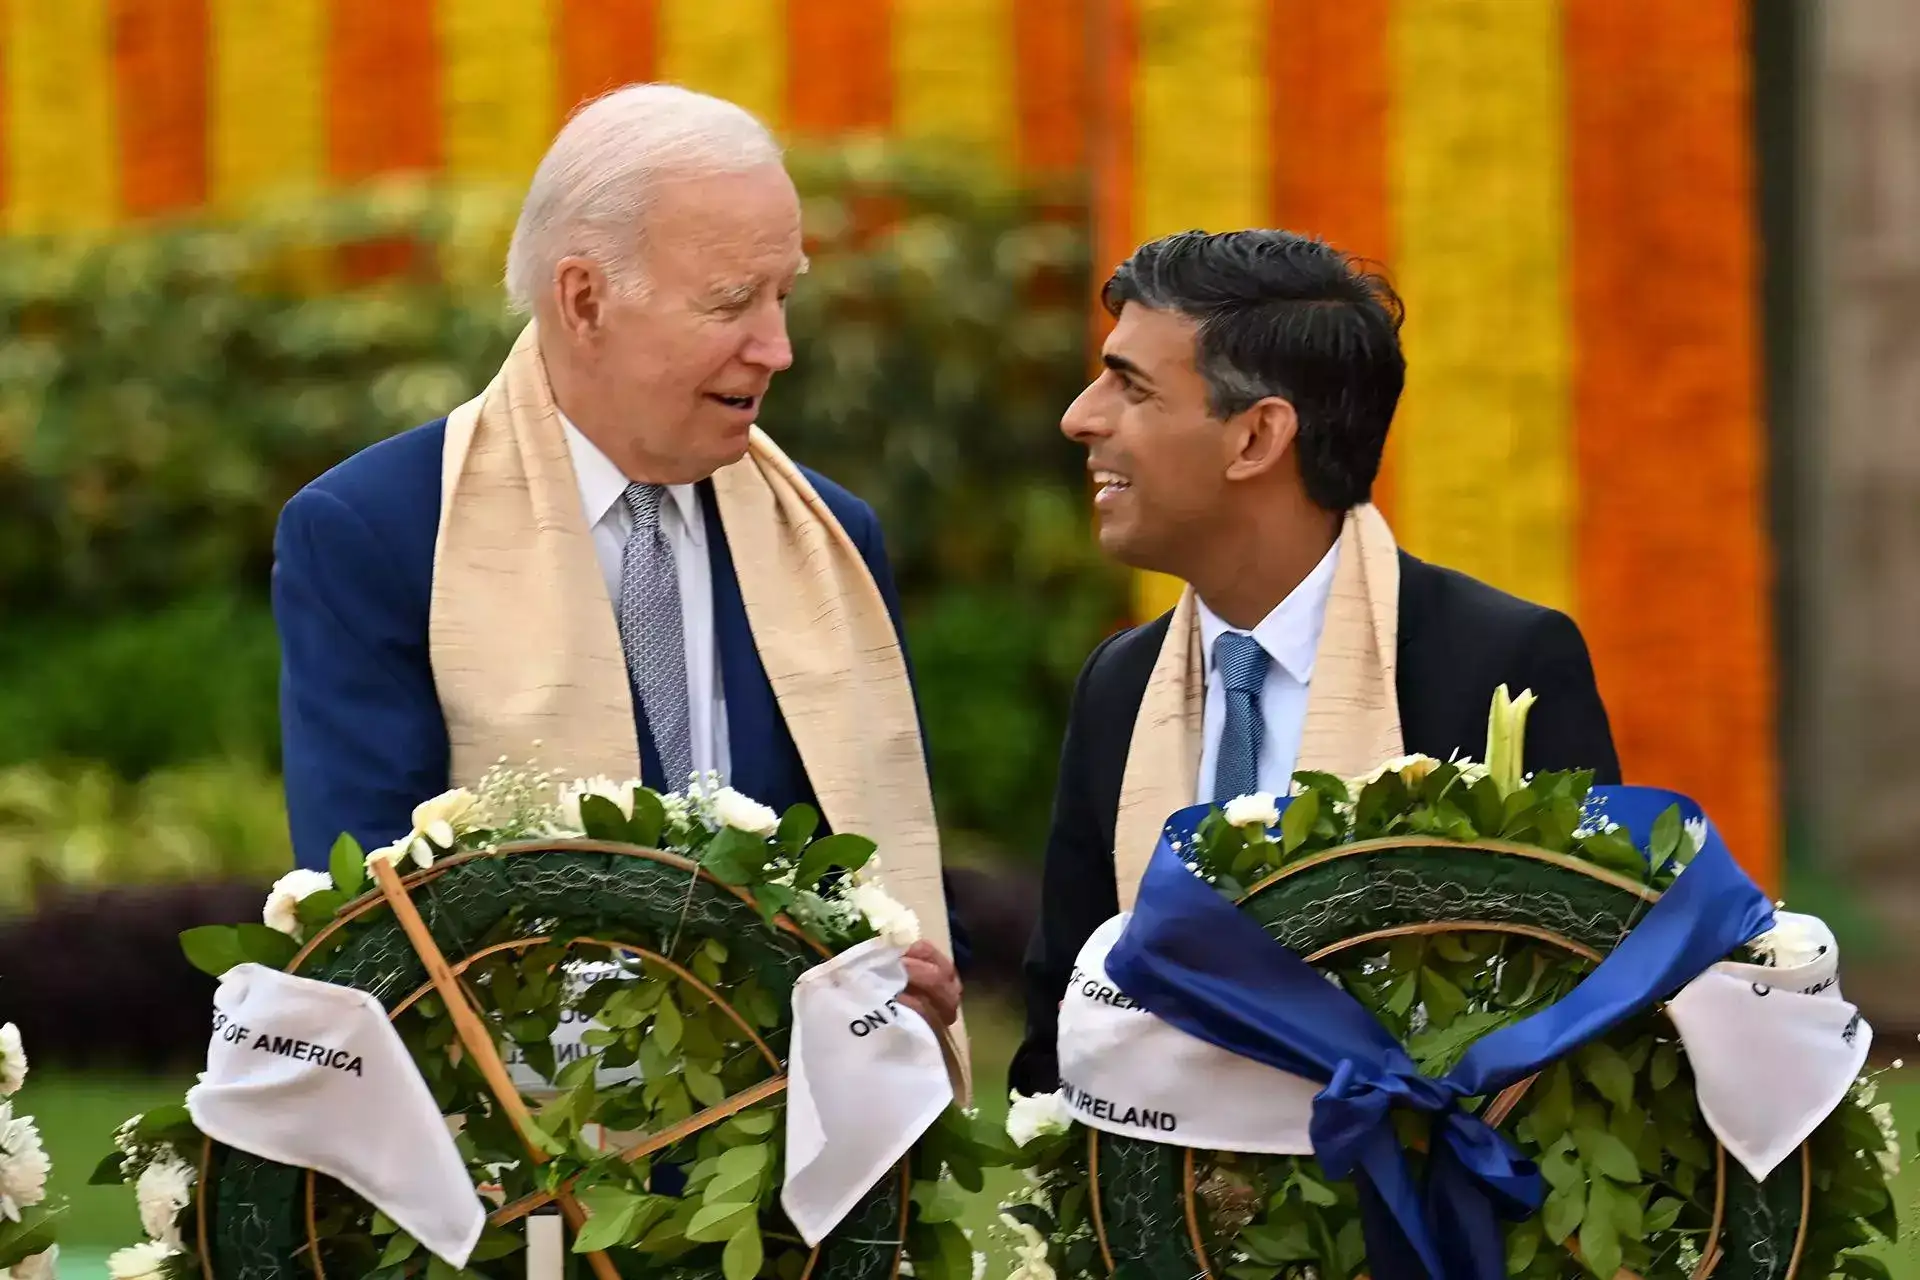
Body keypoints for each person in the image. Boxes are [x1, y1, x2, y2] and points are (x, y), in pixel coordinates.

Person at [271, 84, 962, 1029]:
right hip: (502, 1145)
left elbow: (863, 878)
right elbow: (365, 920)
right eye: (731, 304)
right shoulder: (375, 532)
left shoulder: (831, 536)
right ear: (584, 298)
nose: (779, 348)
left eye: (785, 295)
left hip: (798, 1134)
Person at [1007, 230, 1619, 1094]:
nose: (1081, 417)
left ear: (1256, 437)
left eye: (1132, 388)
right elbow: (1060, 1041)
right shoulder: (1122, 685)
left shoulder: (1498, 665)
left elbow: (1580, 1024)